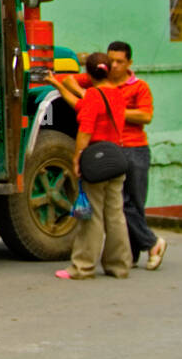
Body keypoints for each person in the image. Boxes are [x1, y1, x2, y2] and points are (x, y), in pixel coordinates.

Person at [51, 40, 166, 270]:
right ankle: (128, 257)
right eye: (111, 60)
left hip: (134, 149)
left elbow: (145, 116)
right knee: (121, 208)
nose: (114, 65)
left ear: (129, 63)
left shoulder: (138, 87)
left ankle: (148, 245)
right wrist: (85, 93)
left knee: (130, 205)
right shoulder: (105, 87)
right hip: (115, 151)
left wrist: (105, 107)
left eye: (119, 62)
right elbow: (73, 84)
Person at [55, 53, 130, 280]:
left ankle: (83, 266)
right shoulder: (118, 94)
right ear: (108, 70)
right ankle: (119, 266)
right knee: (115, 214)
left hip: (96, 159)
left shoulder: (93, 96)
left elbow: (85, 130)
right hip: (116, 158)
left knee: (91, 216)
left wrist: (78, 158)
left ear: (88, 74)